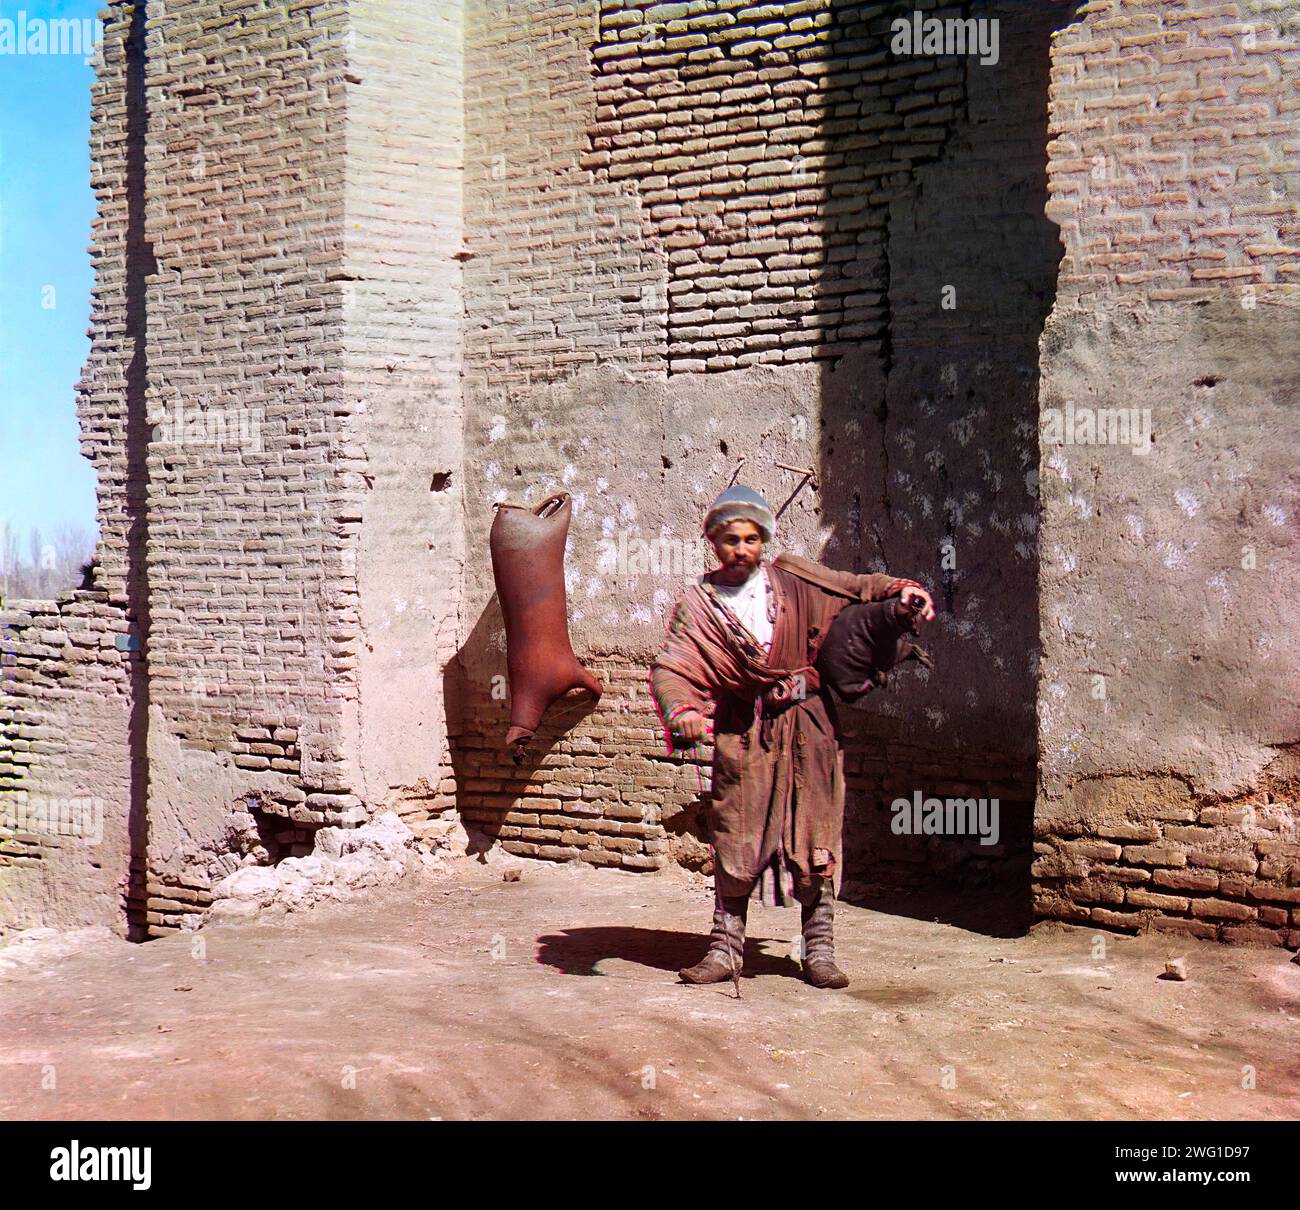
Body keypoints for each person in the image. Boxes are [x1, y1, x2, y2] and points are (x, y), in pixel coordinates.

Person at [649, 485, 934, 989]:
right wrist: (684, 711)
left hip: (810, 725)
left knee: (816, 834)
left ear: (764, 538)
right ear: (713, 542)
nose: (742, 549)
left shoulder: (795, 578)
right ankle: (725, 948)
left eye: (752, 538)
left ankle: (818, 951)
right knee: (736, 831)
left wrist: (902, 592)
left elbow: (858, 586)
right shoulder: (698, 606)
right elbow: (673, 666)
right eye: (731, 539)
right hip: (746, 729)